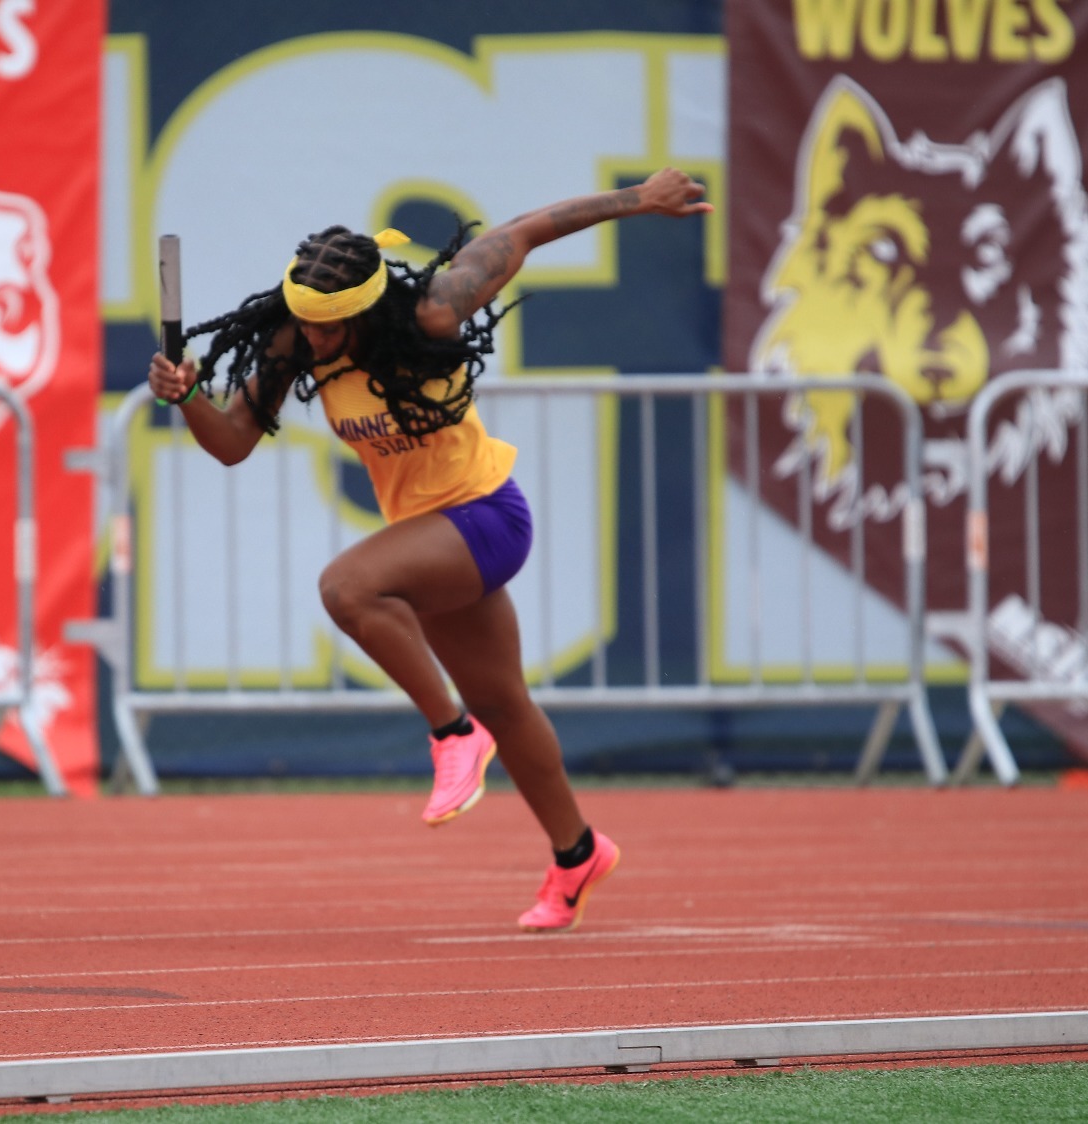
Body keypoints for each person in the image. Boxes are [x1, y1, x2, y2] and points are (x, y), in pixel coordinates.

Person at [147, 168, 712, 931]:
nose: (313, 337)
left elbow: (524, 230)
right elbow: (233, 444)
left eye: (328, 325)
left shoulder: (435, 313)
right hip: (431, 538)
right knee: (507, 704)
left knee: (348, 587)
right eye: (304, 320)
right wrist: (187, 397)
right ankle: (577, 854)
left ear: (368, 308)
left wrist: (638, 200)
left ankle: (451, 735)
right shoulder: (296, 340)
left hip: (485, 517)